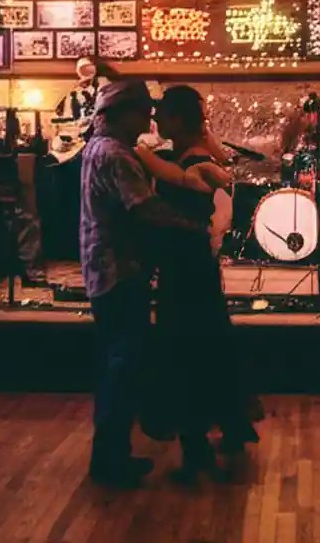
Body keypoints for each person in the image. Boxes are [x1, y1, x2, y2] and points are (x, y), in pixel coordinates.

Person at [80, 80, 204, 487]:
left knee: (114, 362)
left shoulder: (95, 149)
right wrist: (190, 227)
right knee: (122, 363)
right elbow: (145, 210)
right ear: (123, 114)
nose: (149, 118)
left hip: (102, 269)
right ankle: (111, 459)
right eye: (142, 111)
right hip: (120, 270)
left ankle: (113, 451)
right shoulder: (116, 154)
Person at [136, 86, 258, 482]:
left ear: (176, 119)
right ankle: (232, 428)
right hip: (197, 266)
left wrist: (141, 155)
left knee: (183, 352)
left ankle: (196, 447)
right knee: (212, 345)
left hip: (183, 268)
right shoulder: (200, 155)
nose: (157, 122)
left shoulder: (191, 163)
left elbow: (182, 183)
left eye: (164, 115)